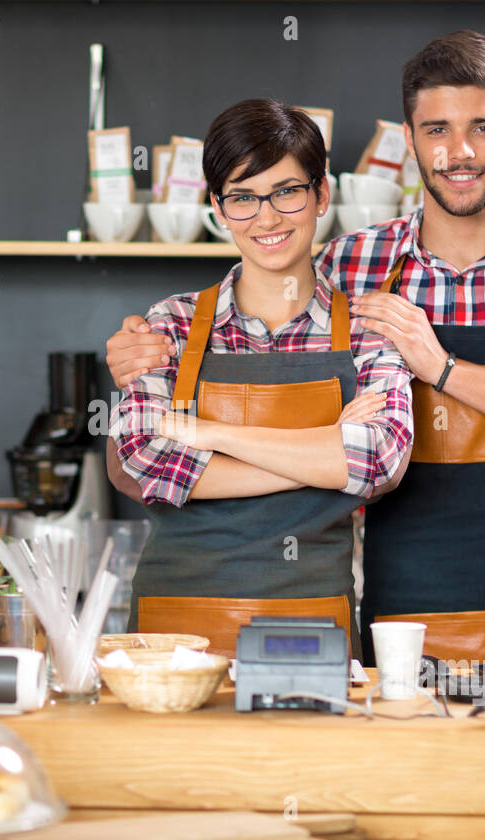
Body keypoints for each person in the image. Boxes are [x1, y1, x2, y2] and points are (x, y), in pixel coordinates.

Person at [106, 31, 485, 665]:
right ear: (410, 140)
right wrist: (137, 355)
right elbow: (140, 458)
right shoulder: (350, 264)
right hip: (399, 599)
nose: (459, 151)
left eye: (483, 128)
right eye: (436, 129)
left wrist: (436, 364)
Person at [107, 98, 414, 656]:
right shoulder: (169, 325)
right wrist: (321, 457)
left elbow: (378, 462)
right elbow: (141, 458)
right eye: (243, 198)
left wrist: (207, 434)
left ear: (321, 196)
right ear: (219, 209)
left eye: (286, 192)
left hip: (311, 624)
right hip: (172, 628)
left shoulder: (369, 332)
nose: (266, 218)